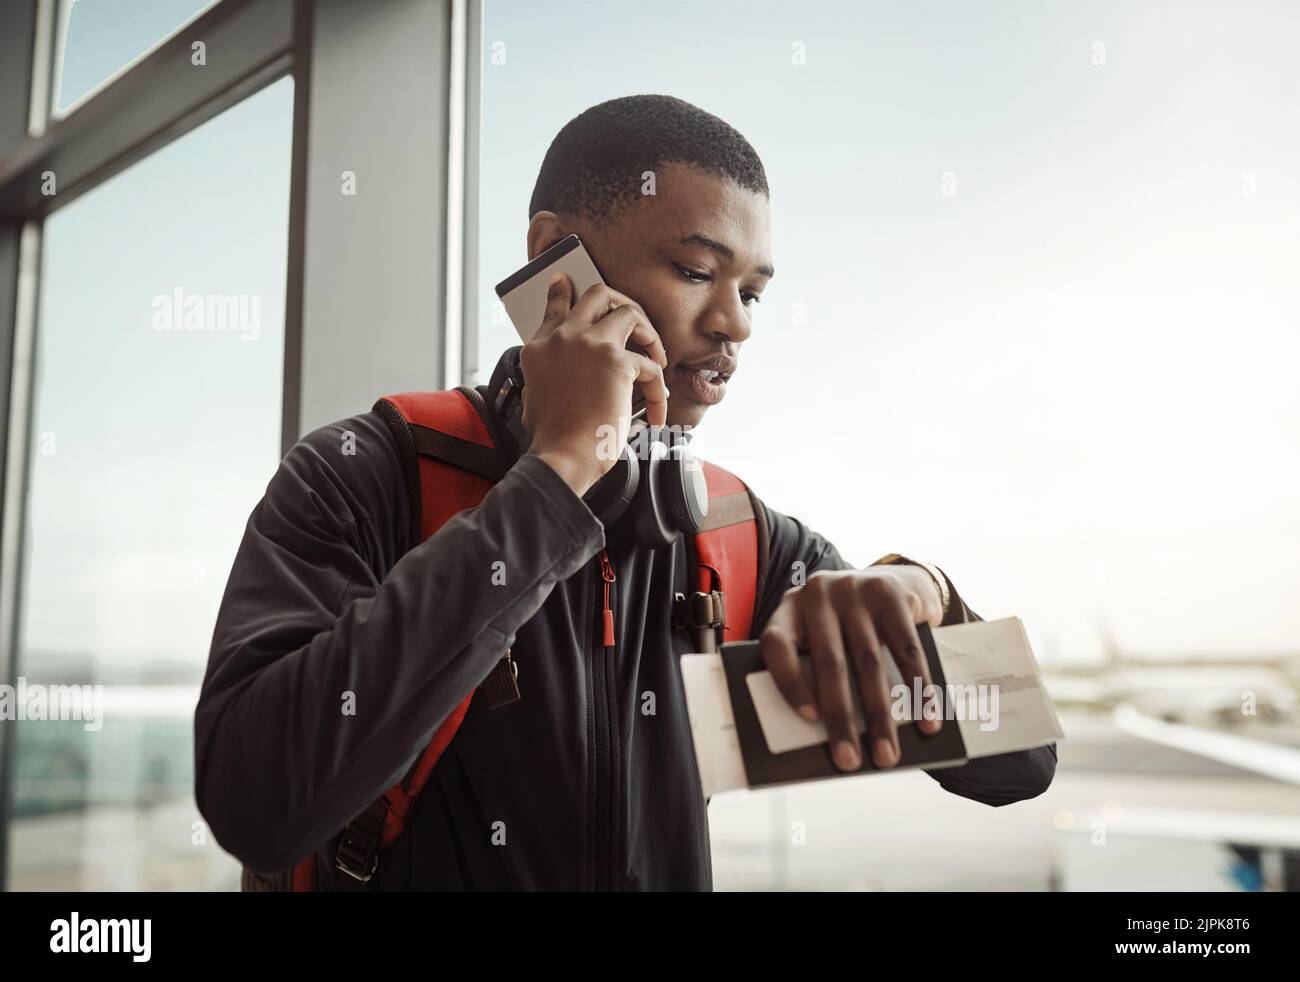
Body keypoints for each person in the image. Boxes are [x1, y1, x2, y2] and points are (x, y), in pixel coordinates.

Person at [195, 94, 1055, 891]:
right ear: (553, 265)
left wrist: (926, 594)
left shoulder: (738, 539)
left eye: (751, 292)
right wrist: (563, 471)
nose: (737, 323)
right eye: (695, 271)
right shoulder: (363, 475)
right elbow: (255, 804)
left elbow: (1020, 757)